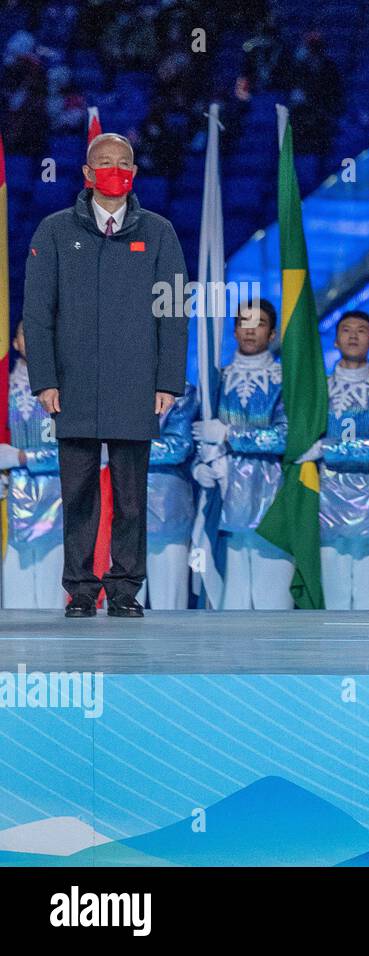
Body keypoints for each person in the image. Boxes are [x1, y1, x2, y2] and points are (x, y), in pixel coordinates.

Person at [22, 131, 188, 617]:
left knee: (132, 498)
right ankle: (79, 589)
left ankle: (124, 590)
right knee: (76, 494)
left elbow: (174, 311)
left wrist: (167, 381)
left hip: (137, 384)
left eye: (124, 162)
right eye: (105, 162)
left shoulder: (159, 232)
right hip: (72, 386)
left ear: (133, 173)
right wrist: (45, 379)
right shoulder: (54, 231)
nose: (115, 169)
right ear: (88, 174)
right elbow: (37, 312)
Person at [192, 299, 293, 610]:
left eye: (259, 323)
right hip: (223, 503)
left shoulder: (285, 381)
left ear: (272, 334)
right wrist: (200, 468)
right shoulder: (214, 381)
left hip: (273, 502)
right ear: (234, 331)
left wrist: (229, 434)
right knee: (228, 599)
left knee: (272, 601)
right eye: (244, 323)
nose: (250, 330)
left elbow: (284, 438)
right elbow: (197, 432)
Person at [308, 310, 369, 610]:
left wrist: (327, 448)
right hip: (324, 508)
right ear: (336, 340)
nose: (353, 336)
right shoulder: (315, 392)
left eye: (362, 330)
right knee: (333, 605)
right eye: (346, 330)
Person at [0, 320, 64, 608]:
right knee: (17, 591)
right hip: (12, 500)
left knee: (52, 591)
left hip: (56, 501)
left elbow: (74, 451)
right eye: (26, 335)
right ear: (14, 343)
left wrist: (24, 458)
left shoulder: (65, 390)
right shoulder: (5, 390)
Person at [140, 383, 198, 609]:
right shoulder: (113, 385)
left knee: (169, 604)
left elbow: (177, 446)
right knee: (119, 603)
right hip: (118, 509)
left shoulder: (180, 390)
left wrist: (122, 446)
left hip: (166, 509)